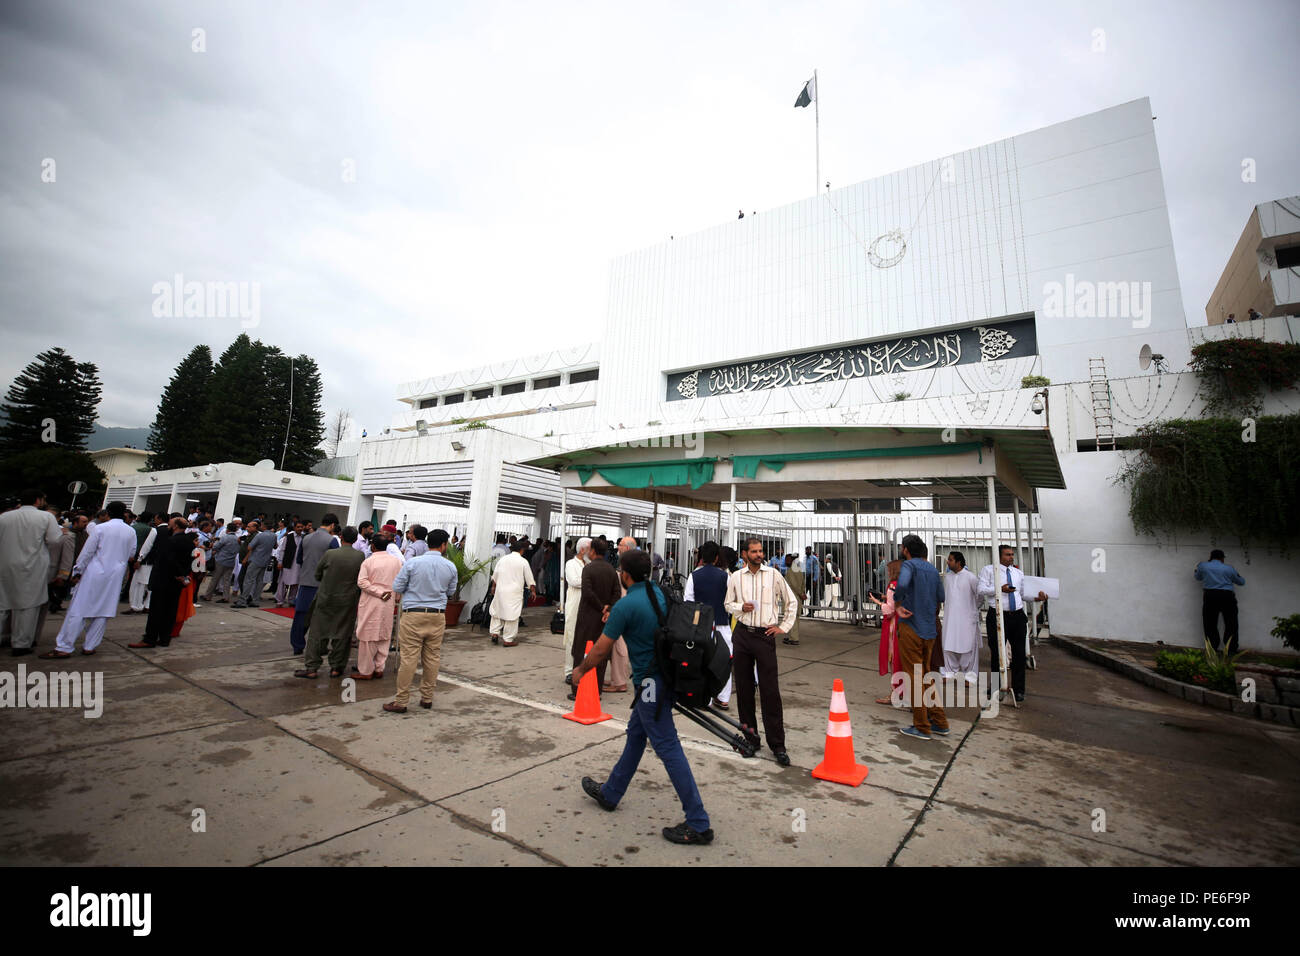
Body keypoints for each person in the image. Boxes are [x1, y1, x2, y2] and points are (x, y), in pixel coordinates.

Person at [576, 550, 713, 845]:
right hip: (667, 676)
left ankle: (698, 822)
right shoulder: (660, 592)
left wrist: (581, 670)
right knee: (636, 735)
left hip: (650, 684)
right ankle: (611, 793)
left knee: (667, 745)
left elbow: (601, 649)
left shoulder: (627, 606)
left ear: (624, 575)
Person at [724, 537, 797, 765]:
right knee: (744, 690)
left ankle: (778, 745)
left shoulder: (773, 575)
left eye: (760, 551)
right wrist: (739, 607)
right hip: (743, 634)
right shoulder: (736, 577)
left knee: (770, 691)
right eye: (754, 551)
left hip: (765, 636)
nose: (758, 555)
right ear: (744, 554)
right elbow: (727, 603)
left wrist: (782, 627)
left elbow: (791, 601)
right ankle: (751, 740)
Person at [39, 501, 136, 658]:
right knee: (103, 612)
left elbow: (87, 552)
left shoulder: (100, 528)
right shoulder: (130, 531)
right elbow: (131, 553)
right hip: (115, 576)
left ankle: (64, 646)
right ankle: (90, 646)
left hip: (95, 572)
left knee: (79, 610)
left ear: (108, 513)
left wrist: (77, 571)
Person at [383, 528, 458, 712]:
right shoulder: (450, 566)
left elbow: (397, 586)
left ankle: (401, 701)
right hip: (437, 615)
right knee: (432, 657)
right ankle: (427, 698)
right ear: (443, 545)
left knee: (409, 658)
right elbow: (450, 592)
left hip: (413, 614)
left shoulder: (412, 563)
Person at [894, 534, 948, 740]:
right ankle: (939, 721)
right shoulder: (933, 569)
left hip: (911, 627)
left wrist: (899, 603)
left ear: (906, 549)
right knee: (926, 675)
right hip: (929, 630)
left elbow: (902, 586)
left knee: (914, 676)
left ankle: (922, 725)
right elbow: (941, 597)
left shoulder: (909, 566)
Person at [293, 526, 365, 679]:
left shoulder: (330, 554)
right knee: (342, 633)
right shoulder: (360, 556)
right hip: (347, 599)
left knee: (318, 633)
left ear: (341, 536)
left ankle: (312, 667)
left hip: (326, 597)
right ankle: (336, 667)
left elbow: (318, 574)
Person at [0, 489, 65, 656]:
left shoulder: (5, 517)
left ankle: (3, 637)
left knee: (3, 602)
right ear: (38, 500)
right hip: (32, 564)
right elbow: (54, 540)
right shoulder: (46, 517)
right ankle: (21, 643)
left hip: (5, 562)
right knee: (28, 605)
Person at [978, 545, 1045, 704]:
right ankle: (995, 686)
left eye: (1012, 555)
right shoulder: (989, 570)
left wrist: (1037, 597)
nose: (1011, 557)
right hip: (998, 615)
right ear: (999, 556)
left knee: (1019, 654)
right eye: (1008, 555)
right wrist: (999, 589)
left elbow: (1023, 593)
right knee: (997, 652)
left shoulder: (1017, 573)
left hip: (1017, 615)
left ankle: (1019, 689)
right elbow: (980, 589)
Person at [683, 541, 732, 708]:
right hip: (722, 623)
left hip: (701, 626)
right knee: (724, 660)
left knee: (703, 661)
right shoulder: (725, 576)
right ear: (717, 557)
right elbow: (730, 601)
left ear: (702, 556)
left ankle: (706, 698)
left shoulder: (694, 575)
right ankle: (723, 698)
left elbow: (688, 601)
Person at [130, 517, 192, 649]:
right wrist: (183, 575)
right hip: (177, 582)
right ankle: (165, 638)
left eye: (170, 524)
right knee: (170, 610)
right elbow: (189, 561)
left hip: (164, 579)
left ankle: (150, 638)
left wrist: (178, 574)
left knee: (157, 610)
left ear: (175, 526)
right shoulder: (188, 541)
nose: (168, 526)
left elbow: (169, 561)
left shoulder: (171, 541)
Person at [571, 536, 621, 696]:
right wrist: (608, 609)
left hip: (588, 617)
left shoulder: (588, 568)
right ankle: (597, 689)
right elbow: (617, 593)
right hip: (605, 620)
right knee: (601, 654)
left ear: (592, 551)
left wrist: (600, 607)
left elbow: (587, 593)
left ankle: (577, 689)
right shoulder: (611, 570)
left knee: (581, 652)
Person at [289, 513, 340, 654]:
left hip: (305, 582)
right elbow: (334, 564)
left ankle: (297, 645)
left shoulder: (306, 538)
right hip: (323, 584)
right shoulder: (332, 541)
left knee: (300, 615)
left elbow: (299, 560)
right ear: (332, 525)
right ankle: (319, 647)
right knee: (321, 618)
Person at [353, 534, 403, 680]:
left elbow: (362, 582)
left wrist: (380, 592)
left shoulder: (368, 562)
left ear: (373, 546)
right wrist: (395, 597)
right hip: (388, 602)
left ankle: (366, 671)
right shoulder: (396, 562)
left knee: (368, 636)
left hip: (372, 601)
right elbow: (399, 583)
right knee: (384, 634)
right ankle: (379, 667)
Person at [1196, 549, 1245, 655]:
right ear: (1222, 558)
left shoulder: (1202, 566)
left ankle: (1212, 649)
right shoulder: (1229, 568)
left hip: (1210, 596)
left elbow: (1197, 577)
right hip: (1227, 596)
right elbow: (1241, 582)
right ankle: (1231, 649)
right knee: (1231, 623)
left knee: (1210, 623)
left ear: (1211, 557)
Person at [488, 538, 536, 646]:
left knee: (497, 612)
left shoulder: (503, 559)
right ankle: (508, 640)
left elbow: (495, 575)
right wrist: (533, 591)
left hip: (501, 590)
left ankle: (495, 633)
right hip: (514, 592)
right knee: (512, 615)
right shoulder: (523, 561)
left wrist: (493, 588)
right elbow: (529, 579)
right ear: (522, 550)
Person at [942, 551, 980, 683]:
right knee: (948, 644)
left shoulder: (971, 577)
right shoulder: (947, 577)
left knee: (968, 646)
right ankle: (950, 673)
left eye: (950, 560)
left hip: (967, 617)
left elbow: (979, 596)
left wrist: (971, 609)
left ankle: (969, 676)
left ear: (958, 562)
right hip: (950, 617)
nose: (948, 562)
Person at [869, 558, 903, 704]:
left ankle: (895, 692)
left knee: (893, 659)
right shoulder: (903, 584)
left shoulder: (892, 586)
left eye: (889, 570)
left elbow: (890, 610)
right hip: (902, 624)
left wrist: (878, 602)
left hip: (893, 626)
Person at [562, 537, 590, 684]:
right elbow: (574, 581)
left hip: (588, 606)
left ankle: (583, 668)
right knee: (572, 637)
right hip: (574, 605)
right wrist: (591, 581)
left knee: (585, 639)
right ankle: (569, 671)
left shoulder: (590, 564)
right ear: (582, 550)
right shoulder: (571, 564)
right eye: (590, 549)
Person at [233, 519, 276, 608]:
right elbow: (275, 546)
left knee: (248, 580)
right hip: (265, 560)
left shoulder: (260, 536)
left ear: (264, 526)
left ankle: (242, 601)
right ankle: (255, 600)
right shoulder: (274, 536)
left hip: (255, 559)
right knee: (259, 581)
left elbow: (249, 547)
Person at [205, 523, 239, 603]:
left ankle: (208, 596)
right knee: (227, 580)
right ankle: (226, 597)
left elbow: (216, 547)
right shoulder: (237, 539)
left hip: (221, 560)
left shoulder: (225, 537)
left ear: (228, 529)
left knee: (215, 579)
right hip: (231, 561)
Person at [273, 520, 303, 607]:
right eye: (298, 527)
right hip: (287, 563)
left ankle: (292, 600)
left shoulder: (304, 537)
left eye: (301, 527)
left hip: (298, 565)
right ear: (294, 528)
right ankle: (280, 600)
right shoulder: (288, 537)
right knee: (283, 582)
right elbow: (282, 550)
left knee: (295, 583)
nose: (300, 529)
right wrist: (280, 562)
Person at [781, 554, 805, 645]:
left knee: (793, 618)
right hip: (797, 597)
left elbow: (794, 585)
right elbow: (803, 583)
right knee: (795, 618)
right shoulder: (798, 570)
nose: (786, 562)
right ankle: (793, 636)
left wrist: (801, 593)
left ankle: (794, 639)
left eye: (788, 560)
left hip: (792, 597)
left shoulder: (791, 571)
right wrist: (802, 593)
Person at [803, 546, 821, 614]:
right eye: (806, 550)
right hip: (805, 577)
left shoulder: (814, 558)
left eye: (808, 550)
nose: (807, 551)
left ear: (811, 551)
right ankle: (800, 609)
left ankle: (811, 611)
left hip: (812, 577)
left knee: (812, 595)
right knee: (803, 593)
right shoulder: (804, 558)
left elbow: (816, 569)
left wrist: (815, 579)